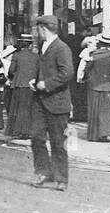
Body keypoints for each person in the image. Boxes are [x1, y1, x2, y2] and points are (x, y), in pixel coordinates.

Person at [29, 14, 75, 191]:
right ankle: (43, 172)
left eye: (38, 29)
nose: (37, 32)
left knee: (58, 142)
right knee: (37, 138)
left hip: (57, 102)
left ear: (43, 29)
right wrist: (35, 81)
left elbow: (67, 73)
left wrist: (45, 84)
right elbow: (43, 70)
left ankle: (61, 178)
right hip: (40, 102)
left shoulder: (62, 48)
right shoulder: (44, 46)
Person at [85, 32, 110, 142]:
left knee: (94, 109)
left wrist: (86, 77)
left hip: (94, 84)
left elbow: (87, 69)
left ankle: (93, 135)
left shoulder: (93, 55)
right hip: (107, 85)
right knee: (106, 111)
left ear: (100, 43)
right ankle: (104, 134)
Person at [5, 34, 39, 139]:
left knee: (17, 108)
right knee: (30, 109)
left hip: (19, 84)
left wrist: (11, 78)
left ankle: (17, 131)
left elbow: (11, 70)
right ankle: (28, 131)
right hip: (31, 86)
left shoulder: (17, 56)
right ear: (30, 45)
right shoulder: (36, 56)